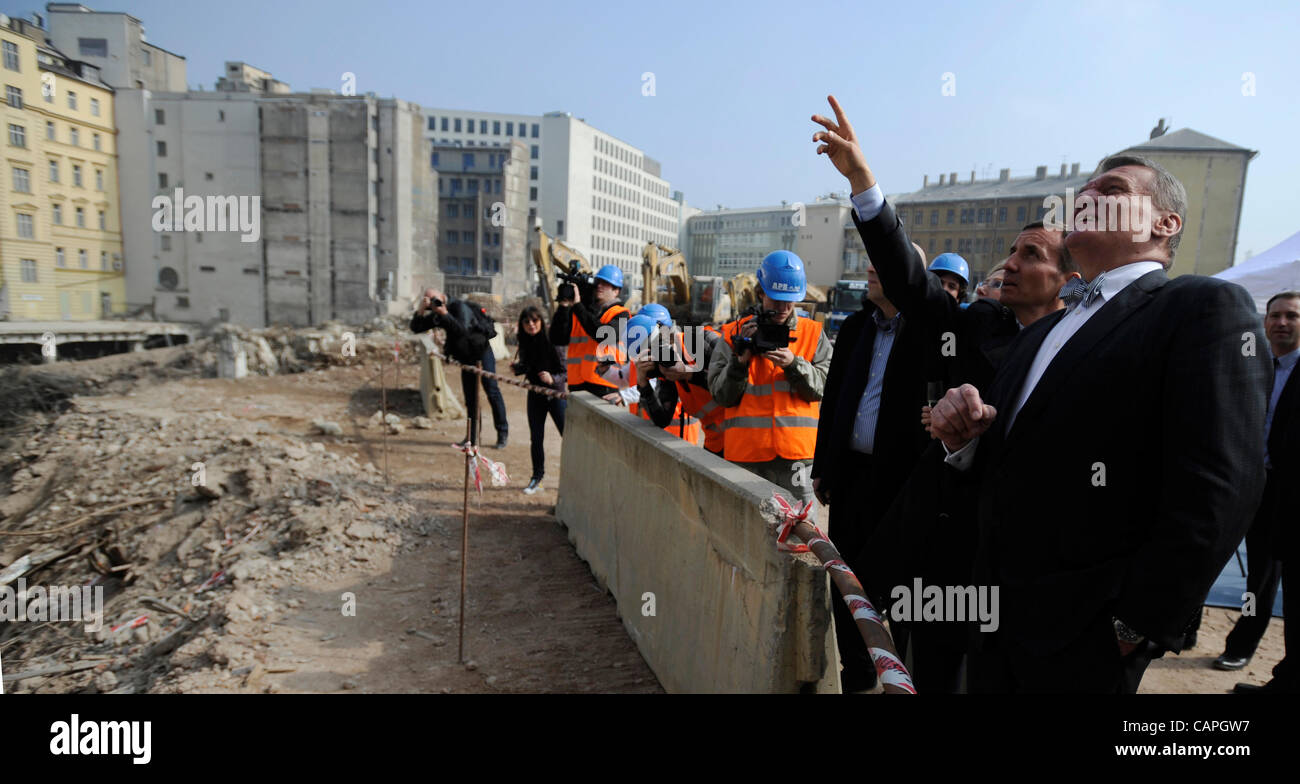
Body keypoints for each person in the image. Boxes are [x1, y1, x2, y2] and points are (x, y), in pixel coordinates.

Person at [928, 153, 1271, 694]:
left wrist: (1136, 623)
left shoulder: (1202, 306)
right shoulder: (1044, 331)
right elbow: (1005, 466)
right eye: (1083, 188)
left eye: (1111, 188)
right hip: (995, 622)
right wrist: (962, 441)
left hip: (1086, 638)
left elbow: (1221, 484)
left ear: (1165, 224)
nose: (1086, 195)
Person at [1217, 292, 1300, 680]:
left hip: (1282, 496)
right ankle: (1184, 629)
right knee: (1205, 556)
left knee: (1262, 578)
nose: (1282, 323)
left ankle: (1243, 645)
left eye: (1292, 316)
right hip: (1239, 484)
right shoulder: (1255, 366)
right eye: (1276, 316)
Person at [708, 250, 832, 505]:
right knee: (743, 536)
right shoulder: (734, 334)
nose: (783, 308)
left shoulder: (813, 333)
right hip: (747, 457)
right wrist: (739, 362)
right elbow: (721, 396)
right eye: (776, 300)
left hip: (798, 459)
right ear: (760, 293)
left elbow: (826, 389)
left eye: (790, 301)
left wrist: (794, 365)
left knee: (797, 538)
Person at [410, 288, 508, 448]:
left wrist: (444, 313)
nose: (434, 303)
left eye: (435, 299)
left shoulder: (459, 307)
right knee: (470, 398)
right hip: (465, 356)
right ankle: (471, 437)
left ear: (442, 296)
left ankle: (502, 434)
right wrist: (421, 310)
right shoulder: (437, 312)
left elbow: (462, 330)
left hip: (481, 351)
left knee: (492, 391)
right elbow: (416, 327)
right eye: (430, 301)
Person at [549, 265, 631, 403]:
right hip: (577, 384)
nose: (600, 286)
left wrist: (578, 306)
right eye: (598, 282)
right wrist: (563, 306)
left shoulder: (622, 314)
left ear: (616, 291)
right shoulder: (582, 311)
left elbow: (604, 335)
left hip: (604, 385)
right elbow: (557, 338)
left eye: (606, 284)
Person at [512, 305, 566, 495]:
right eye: (527, 322)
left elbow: (564, 372)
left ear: (541, 321)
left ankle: (572, 479)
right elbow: (529, 367)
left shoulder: (553, 341)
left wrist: (553, 379)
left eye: (534, 320)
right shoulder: (525, 342)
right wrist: (518, 368)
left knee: (567, 437)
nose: (531, 325)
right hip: (535, 395)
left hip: (555, 396)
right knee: (536, 438)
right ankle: (537, 477)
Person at [627, 314, 703, 445]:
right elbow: (662, 419)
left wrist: (687, 373)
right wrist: (642, 382)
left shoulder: (699, 343)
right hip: (711, 442)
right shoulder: (666, 367)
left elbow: (721, 385)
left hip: (698, 438)